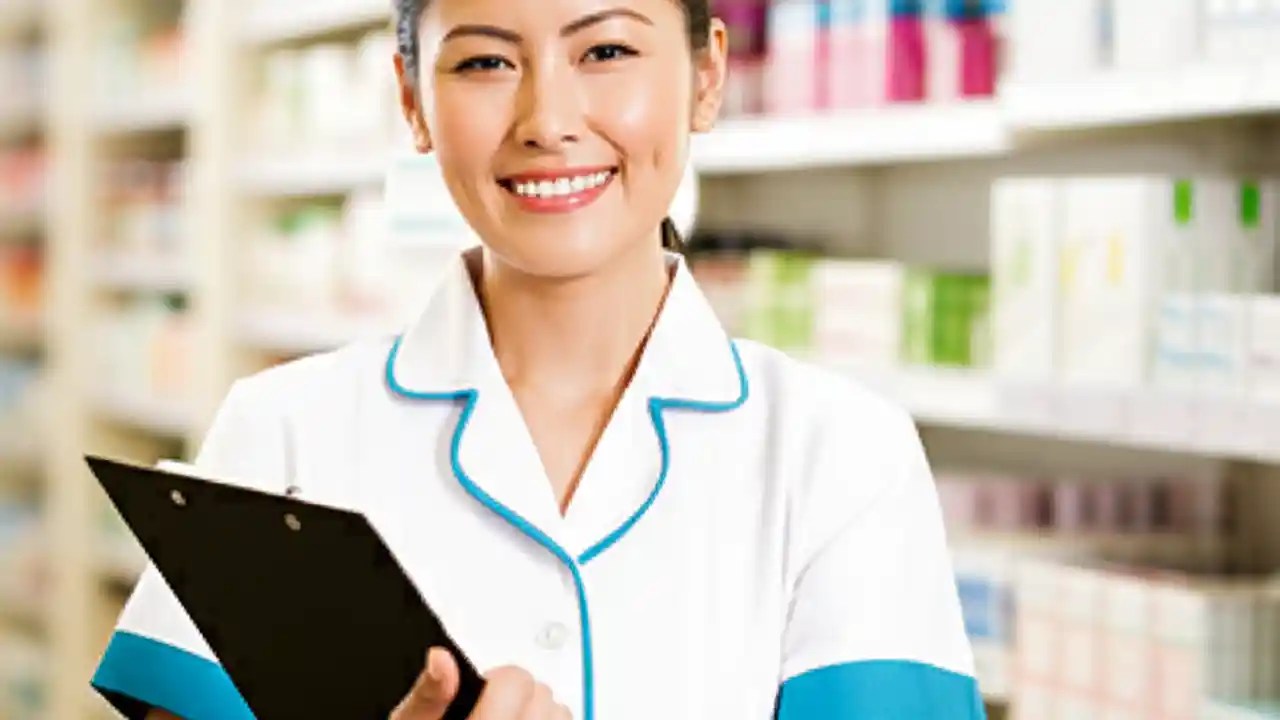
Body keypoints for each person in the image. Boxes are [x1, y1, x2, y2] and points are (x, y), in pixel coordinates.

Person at [90, 0, 985, 717]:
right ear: (412, 99)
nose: (548, 120)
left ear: (707, 75)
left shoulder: (841, 456)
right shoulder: (280, 434)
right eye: (485, 61)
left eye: (605, 52)